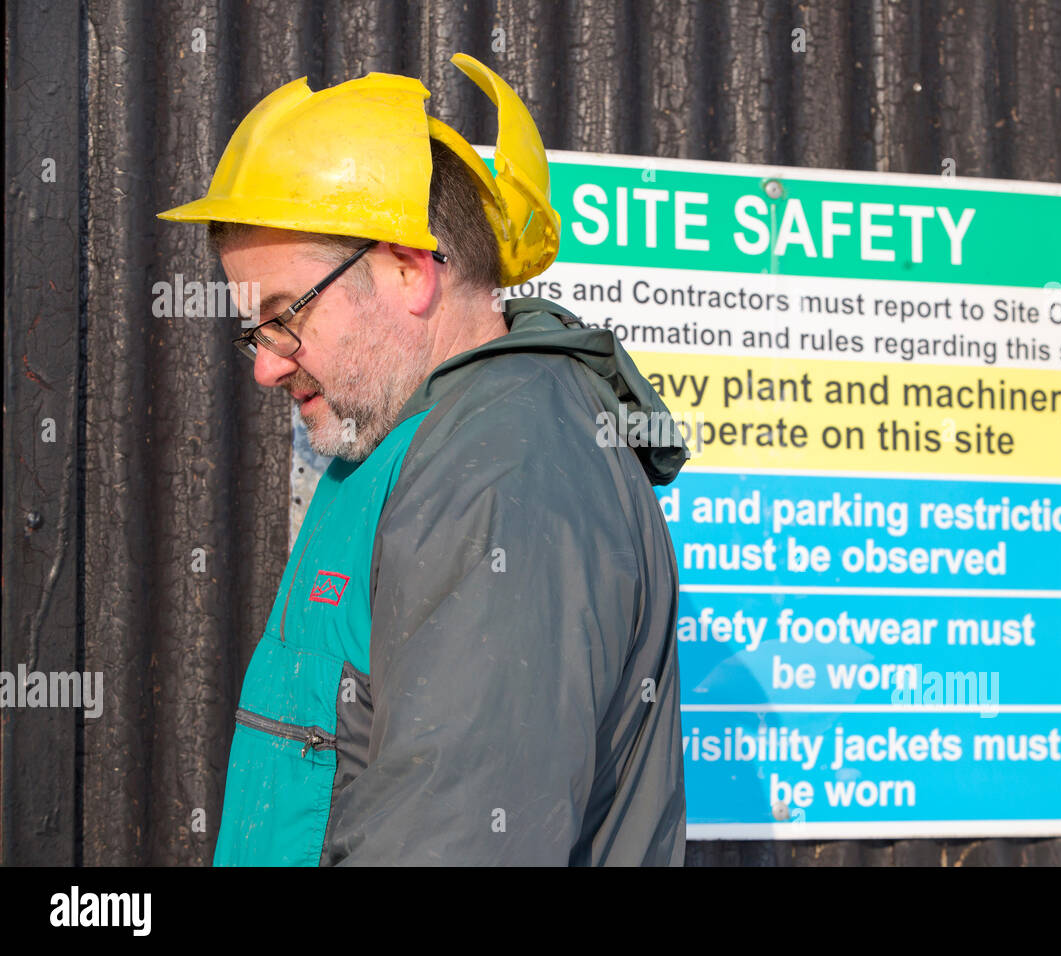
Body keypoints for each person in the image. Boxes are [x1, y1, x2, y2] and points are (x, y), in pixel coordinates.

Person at [157, 53, 688, 865]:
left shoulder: (507, 468)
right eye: (251, 331)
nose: (265, 363)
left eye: (283, 315)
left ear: (408, 270)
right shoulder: (416, 443)